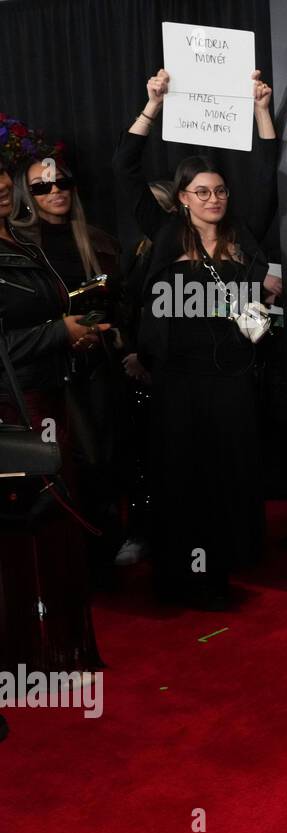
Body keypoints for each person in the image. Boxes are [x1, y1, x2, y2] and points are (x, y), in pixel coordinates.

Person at [113, 68, 278, 610]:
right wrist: (153, 104)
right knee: (181, 477)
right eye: (202, 192)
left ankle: (218, 576)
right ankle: (178, 578)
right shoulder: (165, 236)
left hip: (230, 376)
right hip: (178, 380)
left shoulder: (242, 237)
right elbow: (124, 168)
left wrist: (259, 112)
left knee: (227, 475)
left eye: (220, 190)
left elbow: (267, 177)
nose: (214, 198)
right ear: (182, 197)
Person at [0, 159, 105, 677]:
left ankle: (60, 648)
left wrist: (74, 334)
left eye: (1, 176)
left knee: (59, 521)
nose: (0, 184)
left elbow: (45, 317)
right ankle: (25, 656)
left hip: (52, 396)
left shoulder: (25, 245)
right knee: (24, 532)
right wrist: (58, 333)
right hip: (12, 410)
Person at [12, 157, 134, 575]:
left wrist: (111, 334)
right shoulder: (20, 247)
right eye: (42, 186)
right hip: (48, 372)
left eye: (62, 182)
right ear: (26, 195)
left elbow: (120, 304)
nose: (55, 191)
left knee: (107, 458)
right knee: (68, 464)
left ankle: (105, 550)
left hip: (99, 365)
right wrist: (66, 332)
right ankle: (77, 561)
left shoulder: (98, 241)